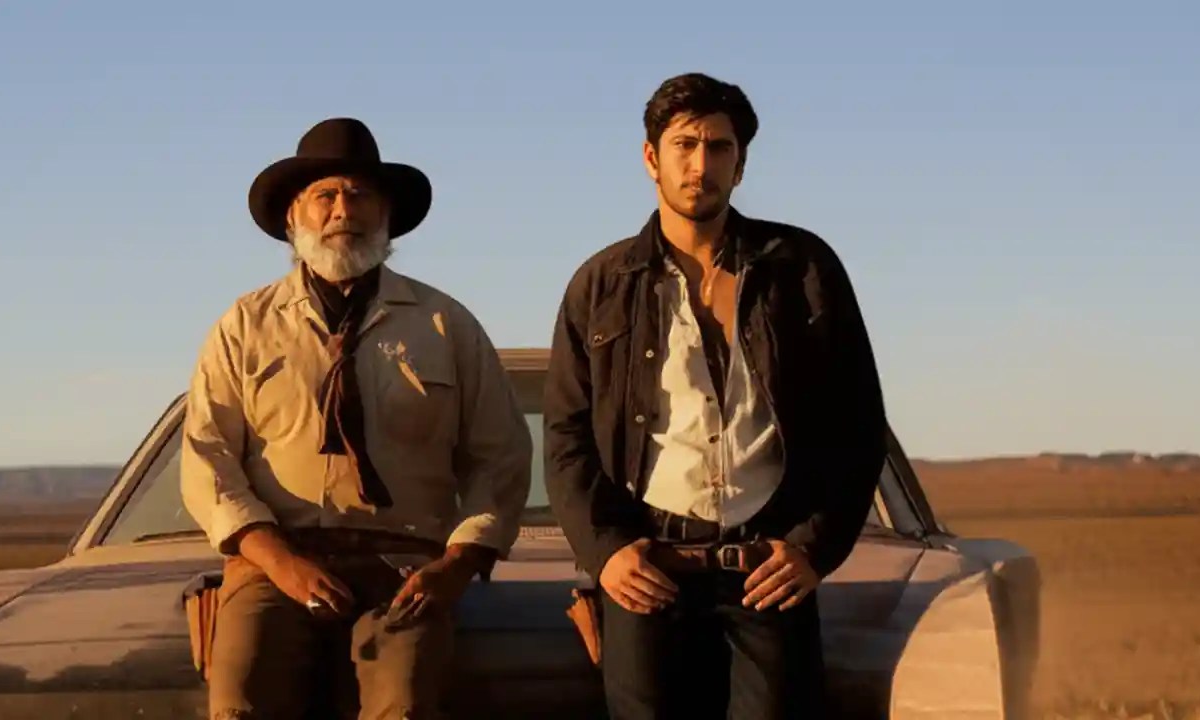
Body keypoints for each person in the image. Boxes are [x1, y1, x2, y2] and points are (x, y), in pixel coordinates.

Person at [543, 73, 887, 719]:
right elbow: (567, 436)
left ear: (742, 161)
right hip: (649, 570)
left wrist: (813, 549)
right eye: (684, 145)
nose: (701, 164)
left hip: (768, 569)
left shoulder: (801, 266)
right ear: (652, 157)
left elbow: (858, 421)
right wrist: (606, 552)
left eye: (719, 147)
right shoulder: (600, 283)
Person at [180, 117, 532, 720]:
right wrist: (279, 562)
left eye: (360, 194)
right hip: (274, 564)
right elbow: (208, 455)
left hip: (404, 568)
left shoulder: (446, 325)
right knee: (239, 705)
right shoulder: (244, 325)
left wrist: (457, 564)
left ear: (387, 216)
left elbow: (498, 456)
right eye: (325, 195)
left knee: (403, 708)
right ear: (293, 218)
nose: (344, 208)